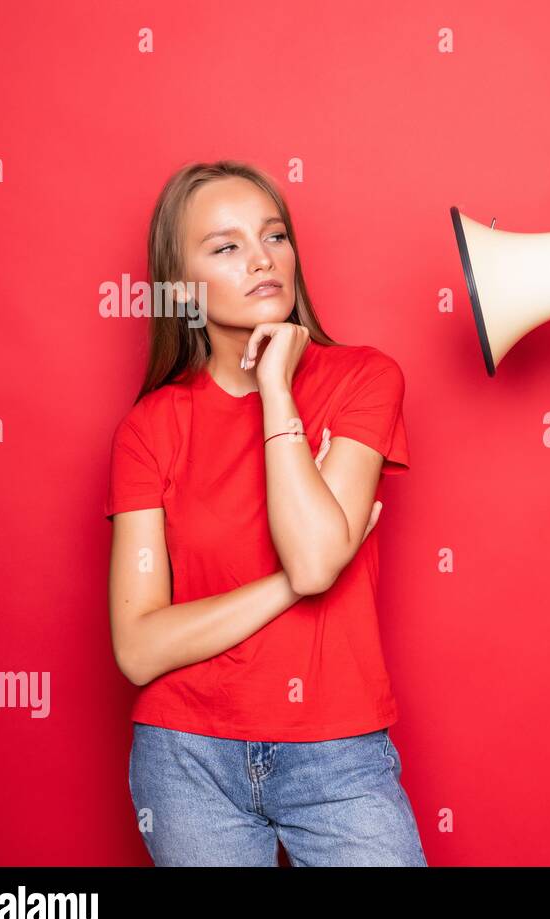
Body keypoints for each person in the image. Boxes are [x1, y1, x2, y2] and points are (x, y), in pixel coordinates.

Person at [105, 160, 426, 866]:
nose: (261, 260)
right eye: (226, 247)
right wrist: (289, 586)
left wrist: (276, 391)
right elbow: (137, 648)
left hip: (339, 755)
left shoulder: (364, 379)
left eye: (274, 236)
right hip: (186, 759)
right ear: (181, 285)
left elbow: (314, 554)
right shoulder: (149, 429)